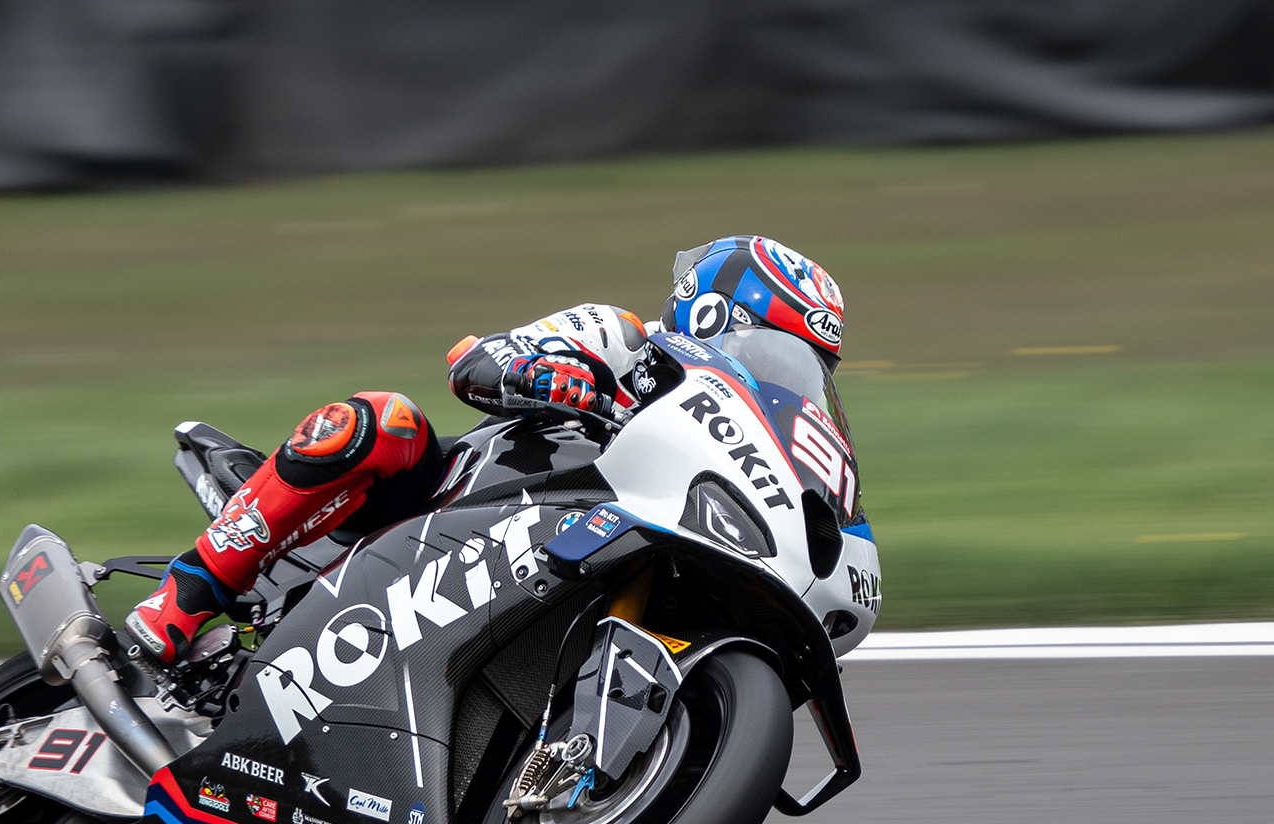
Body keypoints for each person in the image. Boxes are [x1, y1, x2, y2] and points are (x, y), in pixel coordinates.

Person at [122, 235, 846, 666]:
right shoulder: (623, 337)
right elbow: (475, 361)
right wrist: (548, 373)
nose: (785, 378)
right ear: (717, 313)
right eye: (774, 351)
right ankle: (186, 593)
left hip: (585, 551)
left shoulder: (740, 429)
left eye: (802, 369)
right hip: (447, 513)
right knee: (386, 421)